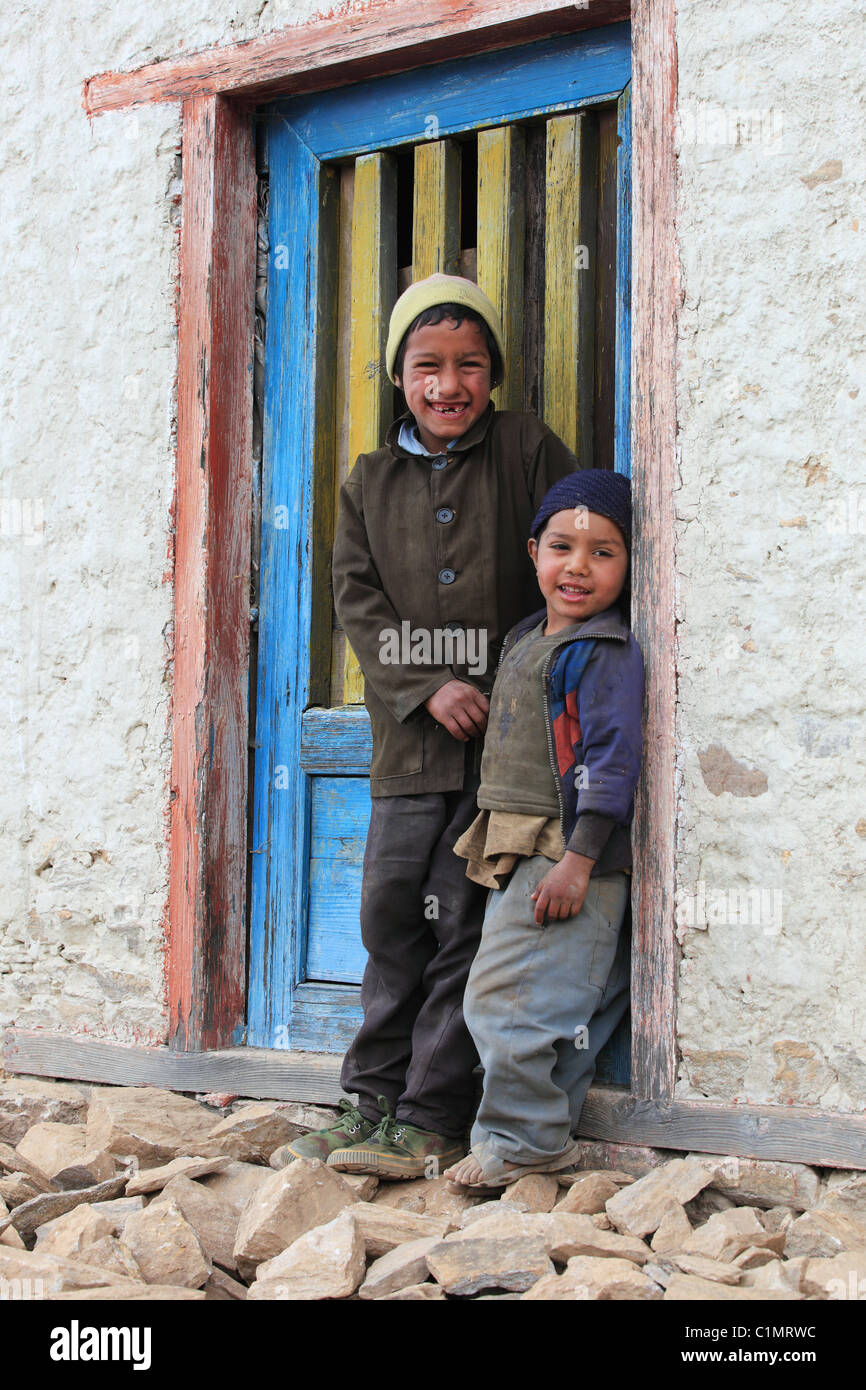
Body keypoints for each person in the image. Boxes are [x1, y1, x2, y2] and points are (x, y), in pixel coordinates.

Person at [279, 273, 579, 1178]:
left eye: (469, 365)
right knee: (390, 918)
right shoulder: (368, 482)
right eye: (427, 366)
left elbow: (569, 558)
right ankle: (366, 1097)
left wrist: (523, 680)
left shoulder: (528, 449)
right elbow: (356, 602)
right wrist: (425, 684)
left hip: (503, 752)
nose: (449, 384)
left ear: (493, 376)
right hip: (409, 745)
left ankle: (430, 1113)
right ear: (398, 377)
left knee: (465, 927)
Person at [443, 470, 644, 1192]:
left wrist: (580, 862)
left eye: (604, 553)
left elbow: (610, 765)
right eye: (563, 546)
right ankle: (539, 1135)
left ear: (630, 564)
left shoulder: (604, 651)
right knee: (547, 998)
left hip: (563, 856)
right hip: (519, 847)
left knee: (509, 1001)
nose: (579, 567)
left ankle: (520, 1142)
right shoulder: (530, 636)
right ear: (534, 552)